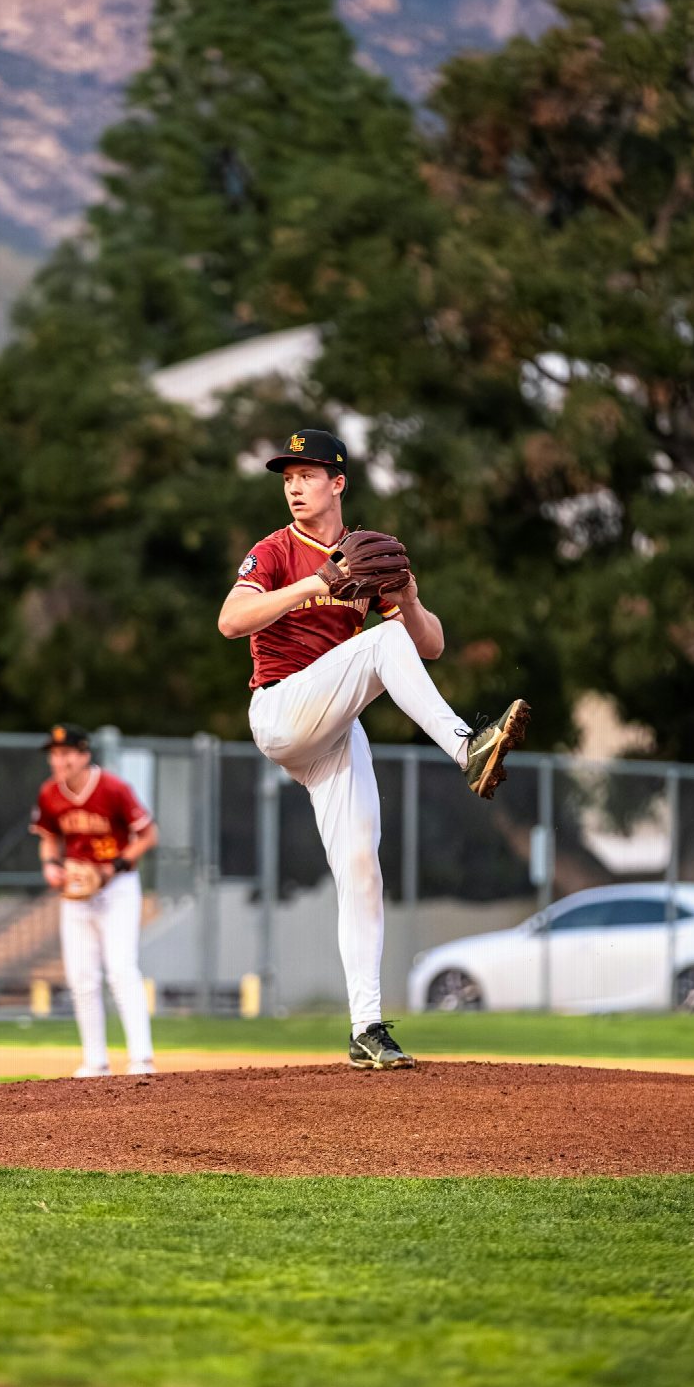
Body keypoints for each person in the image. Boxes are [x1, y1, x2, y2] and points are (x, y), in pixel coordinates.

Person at [217, 428, 529, 1072]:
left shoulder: (363, 555)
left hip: (333, 728)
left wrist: (408, 598)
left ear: (338, 482)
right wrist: (314, 584)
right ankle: (466, 749)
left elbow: (431, 644)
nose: (294, 487)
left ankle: (366, 1030)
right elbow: (230, 620)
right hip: (280, 708)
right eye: (287, 477)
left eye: (307, 475)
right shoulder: (274, 550)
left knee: (361, 867)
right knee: (383, 645)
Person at [30, 723, 160, 1077]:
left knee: (121, 969)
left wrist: (113, 867)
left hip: (117, 887)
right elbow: (49, 838)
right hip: (75, 890)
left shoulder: (113, 788)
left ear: (84, 754)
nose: (59, 761)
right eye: (54, 754)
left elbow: (148, 835)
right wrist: (50, 866)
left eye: (66, 753)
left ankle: (142, 1059)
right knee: (81, 977)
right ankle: (95, 1061)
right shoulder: (50, 793)